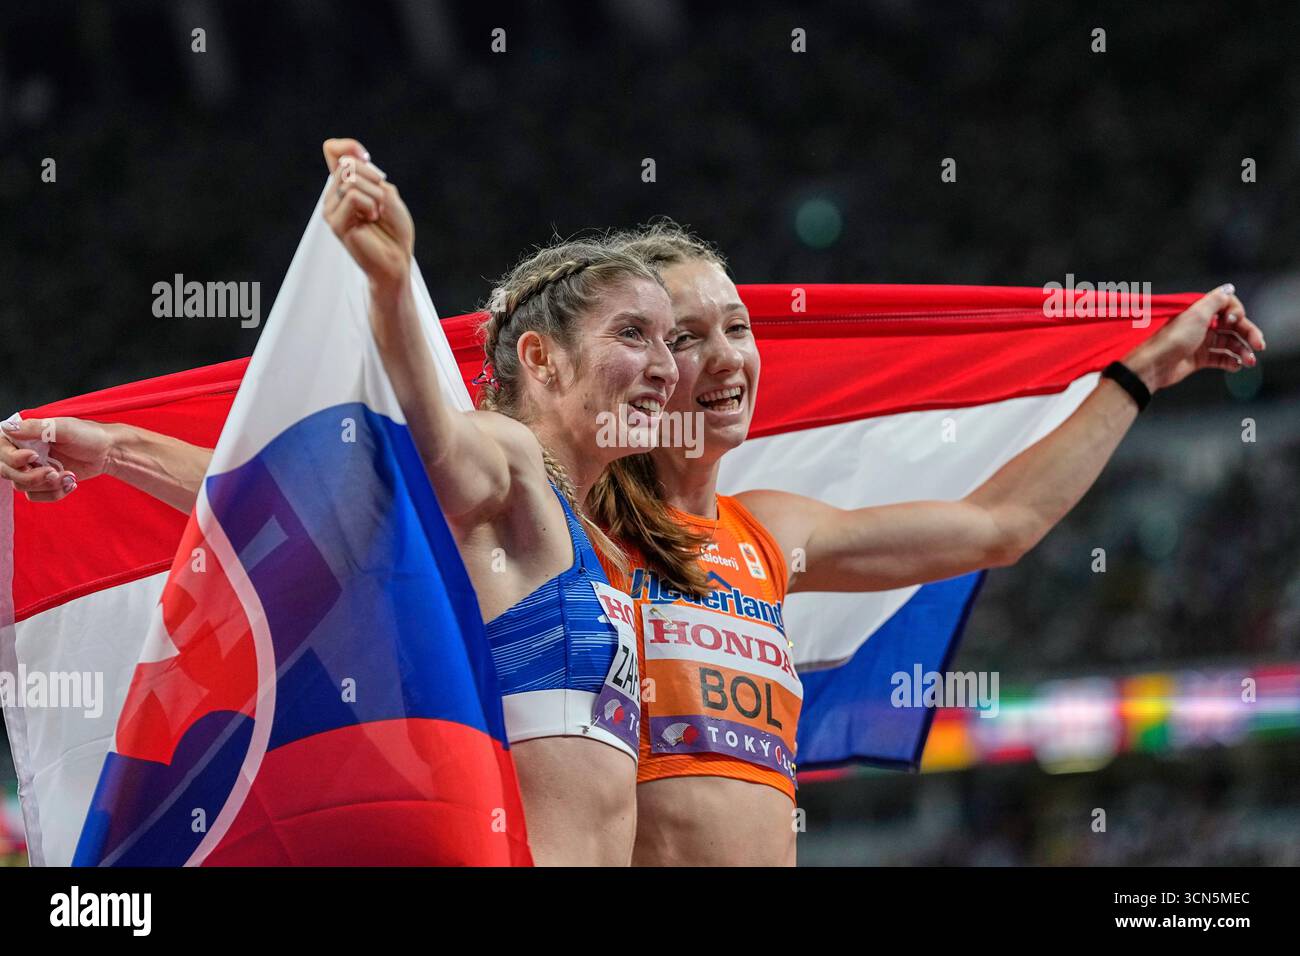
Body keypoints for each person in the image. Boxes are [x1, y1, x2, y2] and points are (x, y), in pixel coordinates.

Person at [0, 140, 682, 866]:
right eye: (633, 336)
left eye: (670, 342)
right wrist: (390, 293)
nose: (665, 368)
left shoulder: (590, 536)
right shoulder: (508, 460)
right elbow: (439, 447)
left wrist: (116, 450)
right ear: (542, 358)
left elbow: (300, 500)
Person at [588, 222, 1266, 866]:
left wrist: (1140, 373)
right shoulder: (578, 529)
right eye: (687, 337)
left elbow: (1002, 524)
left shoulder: (770, 533)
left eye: (738, 328)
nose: (728, 355)